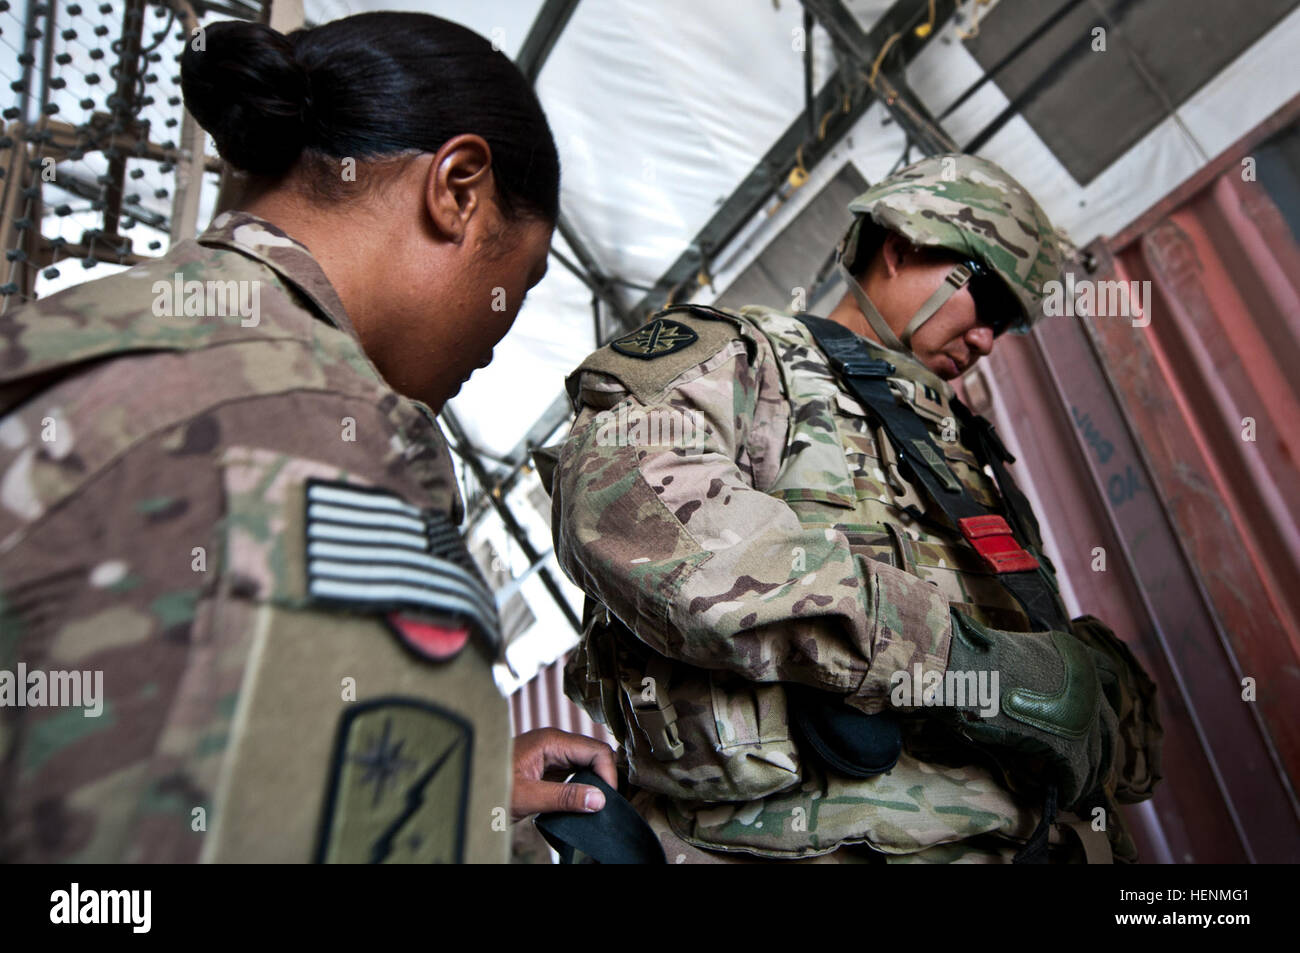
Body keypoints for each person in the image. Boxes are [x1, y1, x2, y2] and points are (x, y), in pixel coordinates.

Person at [0, 12, 614, 863]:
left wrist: (459, 787)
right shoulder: (344, 432)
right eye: (524, 277)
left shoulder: (69, 333)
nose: (501, 333)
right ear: (459, 189)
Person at [548, 153, 1162, 864]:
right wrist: (957, 659)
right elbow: (631, 506)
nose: (988, 338)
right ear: (901, 248)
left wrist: (1086, 688)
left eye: (1010, 325)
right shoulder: (752, 358)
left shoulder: (966, 450)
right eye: (987, 300)